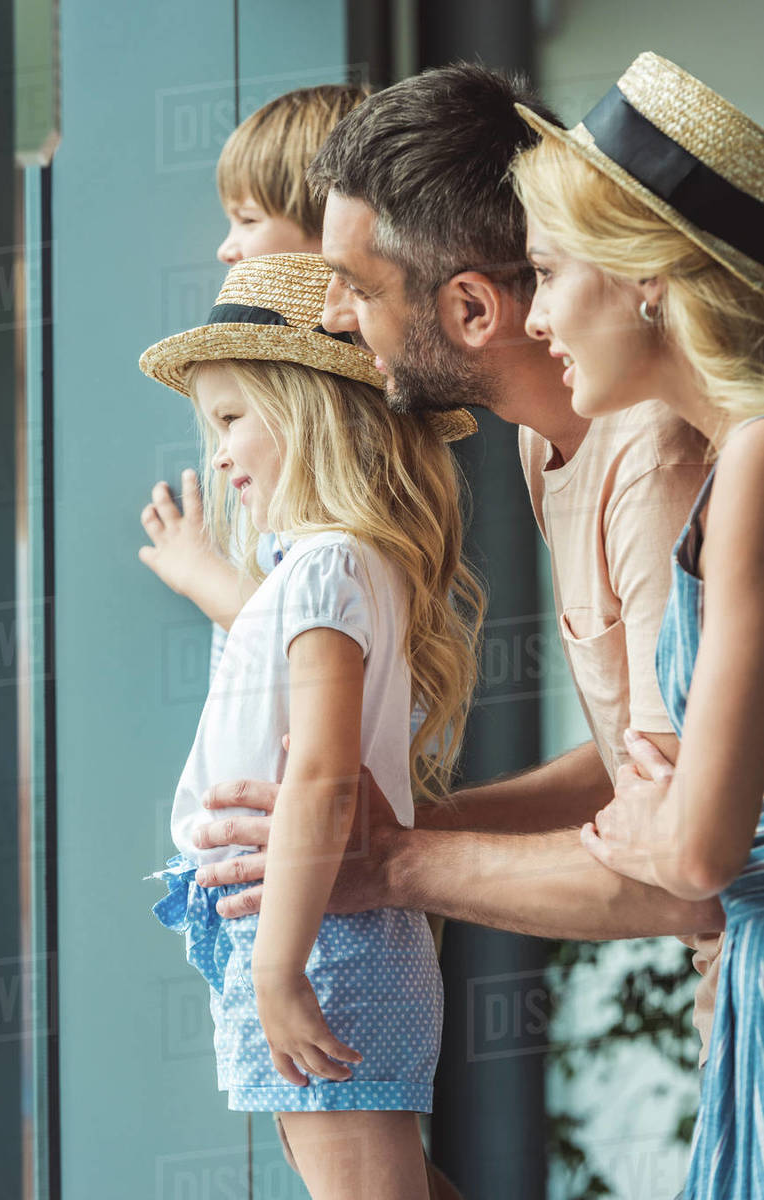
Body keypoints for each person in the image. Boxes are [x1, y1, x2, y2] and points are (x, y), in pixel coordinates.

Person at [189, 64, 724, 1197]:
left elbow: (688, 867)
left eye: (347, 285)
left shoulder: (660, 465)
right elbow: (635, 756)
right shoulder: (547, 442)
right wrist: (409, 827)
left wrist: (395, 862)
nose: (330, 317)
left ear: (470, 311)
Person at [140, 251, 483, 1200]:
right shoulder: (324, 569)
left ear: (307, 409)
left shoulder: (328, 568)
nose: (216, 453)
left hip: (319, 937)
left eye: (230, 419)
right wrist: (201, 571)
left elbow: (323, 776)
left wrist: (280, 969)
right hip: (303, 932)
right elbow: (271, 644)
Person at [512, 51, 764, 1199]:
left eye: (551, 271)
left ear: (650, 275)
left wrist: (643, 824)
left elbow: (699, 855)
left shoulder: (754, 459)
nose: (535, 314)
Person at [138, 83, 367, 679]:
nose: (225, 247)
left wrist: (198, 573)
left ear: (331, 231)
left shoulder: (344, 431)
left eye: (246, 219)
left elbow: (309, 628)